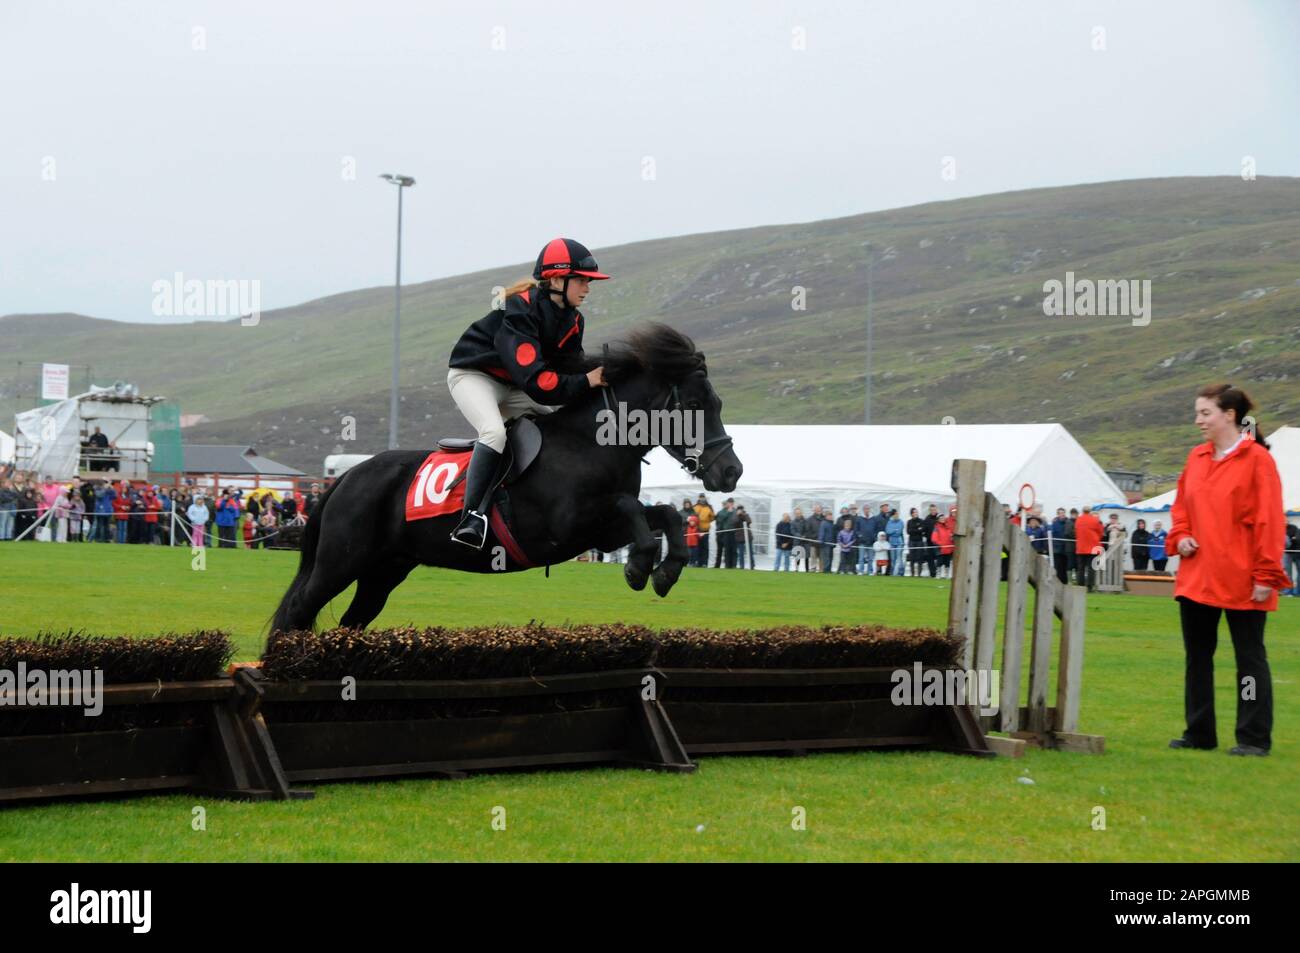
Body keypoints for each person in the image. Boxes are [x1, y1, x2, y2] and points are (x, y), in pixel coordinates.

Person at [445, 237, 610, 549]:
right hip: (474, 376)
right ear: (557, 279)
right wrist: (587, 381)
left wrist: (607, 372)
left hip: (513, 386)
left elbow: (569, 370)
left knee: (557, 424)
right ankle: (471, 518)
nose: (587, 288)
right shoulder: (519, 308)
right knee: (494, 433)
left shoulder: (574, 320)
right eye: (582, 281)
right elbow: (539, 383)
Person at [1166, 383, 1289, 756]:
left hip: (1243, 578)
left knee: (1248, 660)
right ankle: (1199, 732)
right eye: (1198, 413)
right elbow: (1181, 507)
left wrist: (1266, 575)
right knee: (1197, 658)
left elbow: (1270, 520)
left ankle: (1252, 737)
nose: (1198, 420)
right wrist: (1182, 535)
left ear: (1229, 415)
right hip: (1198, 575)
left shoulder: (1258, 461)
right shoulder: (1197, 458)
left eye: (1205, 413)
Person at [1073, 506, 1103, 589]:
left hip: (1081, 547)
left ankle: (1080, 585)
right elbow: (1100, 532)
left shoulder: (1078, 520)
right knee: (1091, 568)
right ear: (1090, 511)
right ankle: (1090, 586)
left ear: (1082, 511)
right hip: (1092, 547)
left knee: (1081, 568)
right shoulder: (1095, 520)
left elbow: (1076, 532)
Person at [1050, 507, 1073, 584]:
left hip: (1065, 548)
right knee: (1058, 566)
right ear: (1058, 514)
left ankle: (1064, 582)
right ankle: (1058, 581)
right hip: (1057, 548)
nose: (1062, 514)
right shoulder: (1054, 523)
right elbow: (1052, 534)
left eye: (1063, 513)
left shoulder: (1068, 522)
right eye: (1060, 513)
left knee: (1065, 566)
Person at [693, 495, 715, 567]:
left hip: (705, 530)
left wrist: (706, 522)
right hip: (696, 530)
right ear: (698, 498)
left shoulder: (709, 507)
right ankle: (697, 562)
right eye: (701, 497)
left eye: (703, 497)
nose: (702, 499)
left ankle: (704, 563)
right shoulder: (695, 507)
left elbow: (712, 517)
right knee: (697, 547)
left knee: (705, 547)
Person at [931, 512, 955, 578]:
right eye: (941, 518)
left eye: (943, 518)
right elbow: (934, 539)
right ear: (938, 519)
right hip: (940, 549)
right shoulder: (936, 528)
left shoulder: (948, 528)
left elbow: (951, 537)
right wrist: (941, 544)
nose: (942, 519)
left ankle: (947, 575)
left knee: (947, 563)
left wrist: (952, 538)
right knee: (939, 562)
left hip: (948, 549)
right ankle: (938, 575)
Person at [885, 507, 905, 576]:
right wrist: (894, 530)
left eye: (897, 514)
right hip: (891, 542)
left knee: (899, 558)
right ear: (893, 515)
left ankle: (900, 572)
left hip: (899, 542)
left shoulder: (901, 522)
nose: (897, 515)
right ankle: (893, 572)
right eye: (895, 514)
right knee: (893, 558)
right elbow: (888, 531)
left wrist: (893, 530)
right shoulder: (889, 522)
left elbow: (899, 532)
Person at [1284, 523, 1299, 596]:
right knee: (1288, 574)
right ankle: (1288, 592)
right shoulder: (1279, 528)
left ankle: (1297, 592)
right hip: (1287, 553)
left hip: (1297, 553)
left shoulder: (1294, 527)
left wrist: (1292, 539)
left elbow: (1295, 539)